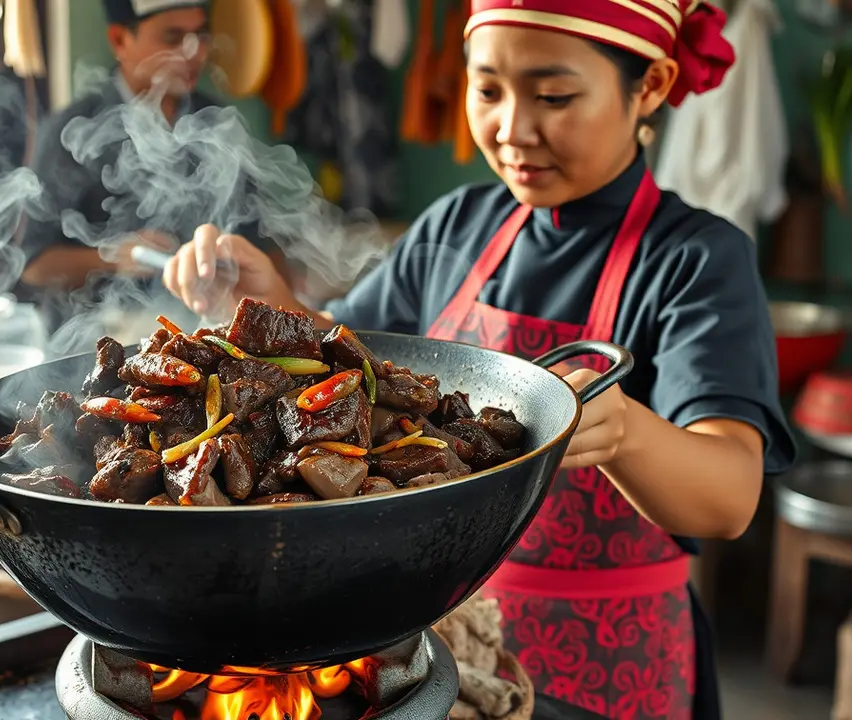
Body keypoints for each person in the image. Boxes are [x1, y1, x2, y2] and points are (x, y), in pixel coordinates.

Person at [162, 1, 796, 717]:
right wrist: (273, 306)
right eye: (488, 89)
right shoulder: (458, 225)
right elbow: (356, 373)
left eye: (554, 96)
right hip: (436, 644)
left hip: (607, 664)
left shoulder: (696, 260)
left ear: (648, 85)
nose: (513, 128)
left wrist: (625, 433)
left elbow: (730, 497)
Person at [16, 0, 283, 332]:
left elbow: (260, 247)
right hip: (95, 338)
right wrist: (110, 257)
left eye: (200, 35)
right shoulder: (72, 131)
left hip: (203, 330)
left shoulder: (219, 124)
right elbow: (33, 266)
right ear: (119, 40)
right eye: (173, 38)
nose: (194, 52)